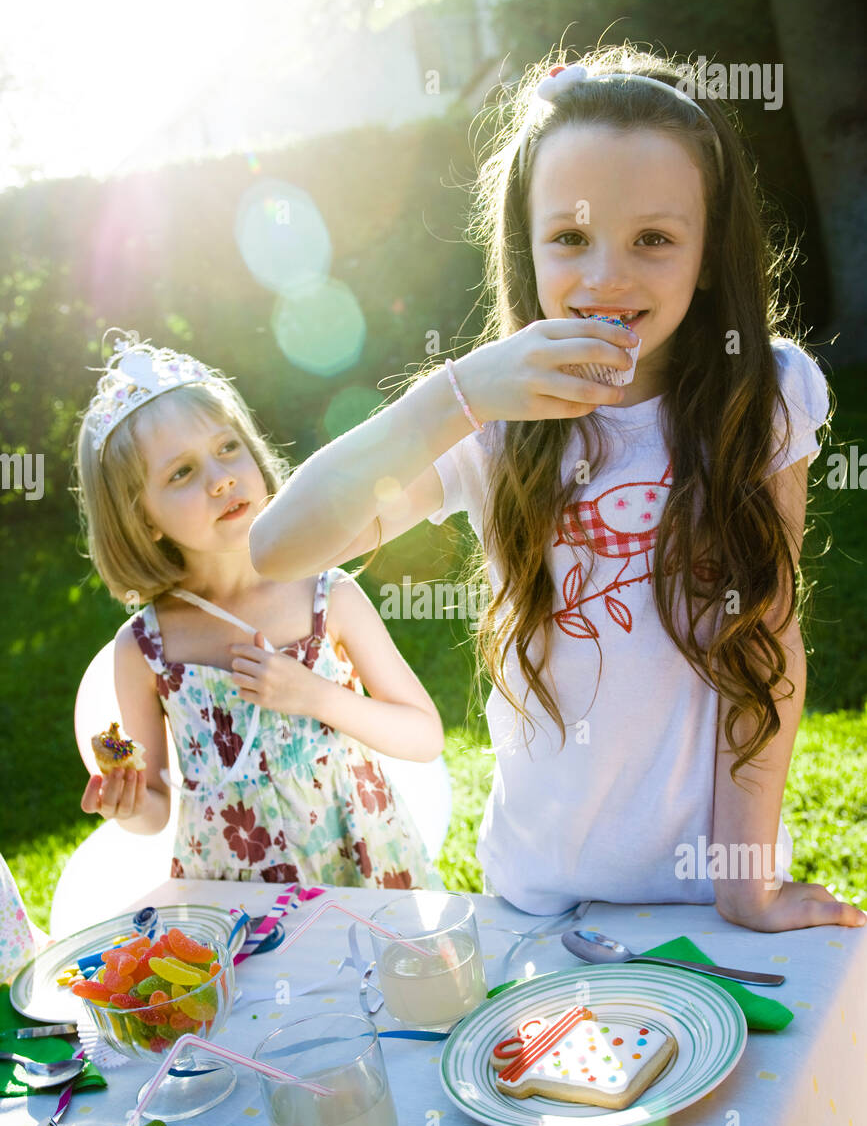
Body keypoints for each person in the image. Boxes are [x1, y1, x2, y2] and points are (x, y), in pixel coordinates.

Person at [248, 45, 865, 933]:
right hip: (537, 899)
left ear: (707, 249)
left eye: (653, 238)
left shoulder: (759, 394)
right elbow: (279, 549)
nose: (607, 276)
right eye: (570, 239)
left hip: (702, 894)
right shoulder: (487, 420)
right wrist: (453, 395)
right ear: (525, 246)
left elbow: (765, 637)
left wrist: (746, 881)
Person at [74, 330, 443, 889]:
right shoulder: (146, 647)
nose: (221, 477)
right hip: (232, 892)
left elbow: (424, 735)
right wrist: (127, 806)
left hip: (357, 864)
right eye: (181, 473)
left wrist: (315, 696)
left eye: (227, 448)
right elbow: (155, 803)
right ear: (142, 519)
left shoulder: (325, 594)